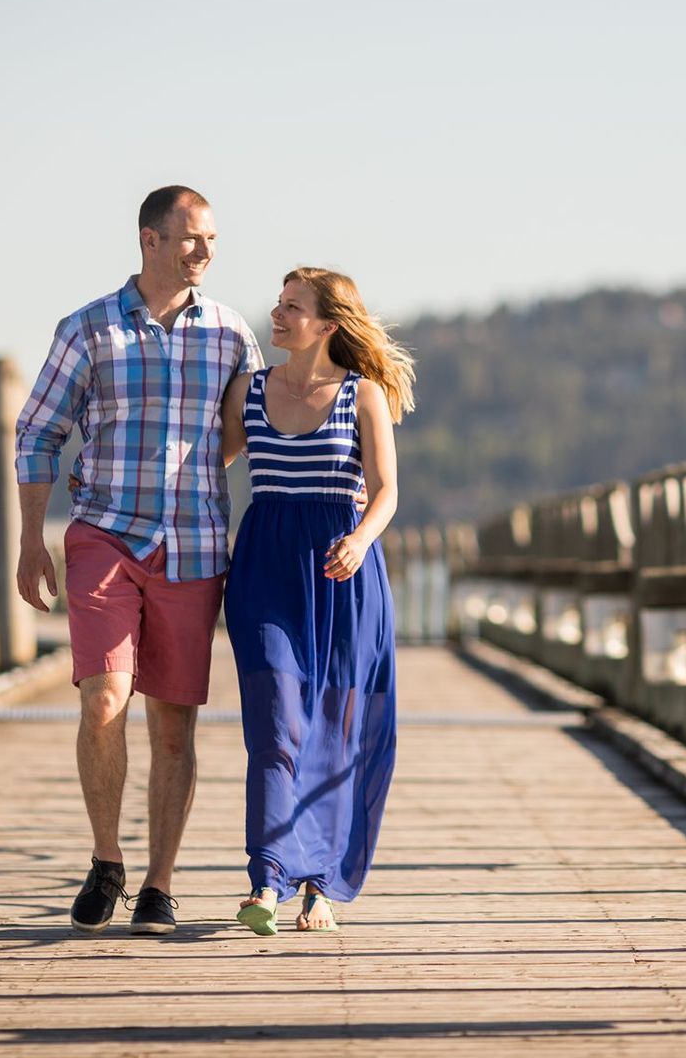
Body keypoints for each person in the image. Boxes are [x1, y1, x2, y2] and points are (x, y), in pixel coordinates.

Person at [15, 185, 262, 936]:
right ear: (150, 240)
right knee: (103, 700)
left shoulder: (229, 333)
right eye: (191, 238)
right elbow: (37, 434)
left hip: (193, 544)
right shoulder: (87, 329)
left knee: (174, 729)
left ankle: (158, 884)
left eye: (212, 238)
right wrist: (32, 540)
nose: (205, 251)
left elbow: (242, 429)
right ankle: (105, 859)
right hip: (104, 536)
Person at [221, 267, 413, 935]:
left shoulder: (362, 396)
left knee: (335, 733)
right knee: (275, 726)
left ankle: (319, 886)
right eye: (278, 305)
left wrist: (360, 540)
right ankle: (265, 879)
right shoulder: (248, 391)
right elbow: (196, 463)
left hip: (342, 574)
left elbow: (386, 489)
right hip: (265, 571)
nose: (276, 316)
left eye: (291, 308)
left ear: (328, 325)